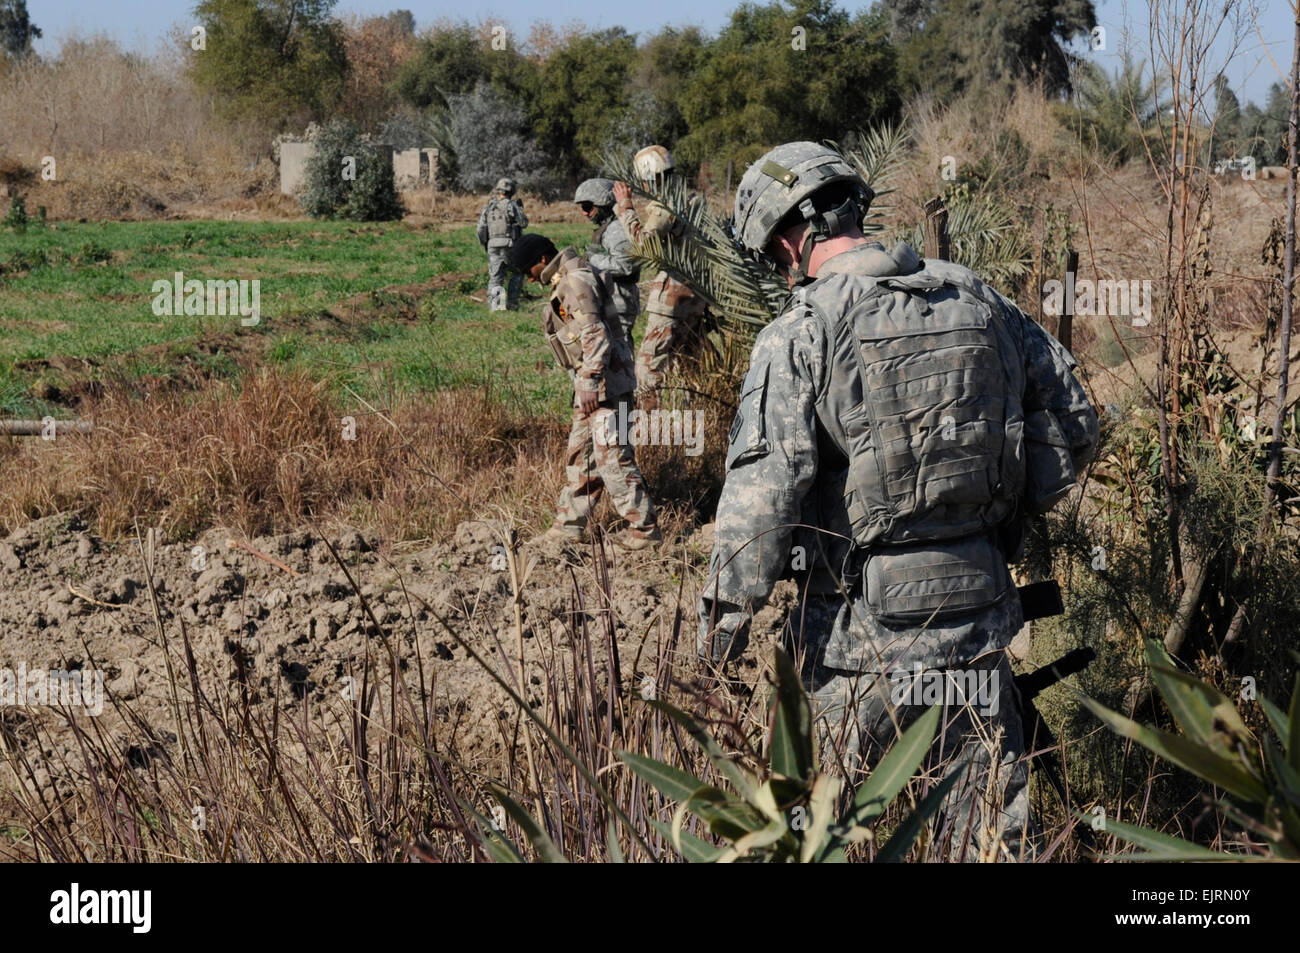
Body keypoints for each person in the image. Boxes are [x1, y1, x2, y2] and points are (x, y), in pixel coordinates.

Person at [697, 142, 1100, 860]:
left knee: (822, 839)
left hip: (858, 654)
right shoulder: (980, 298)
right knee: (989, 843)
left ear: (789, 238)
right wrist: (996, 518)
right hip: (978, 635)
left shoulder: (801, 332)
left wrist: (717, 639)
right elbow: (1077, 423)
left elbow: (761, 507)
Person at [510, 233, 661, 551]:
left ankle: (644, 531)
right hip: (591, 385)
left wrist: (591, 380)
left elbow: (595, 334)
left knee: (613, 458)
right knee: (581, 457)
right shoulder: (567, 277)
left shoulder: (575, 280)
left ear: (541, 260)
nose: (529, 278)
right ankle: (569, 525)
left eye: (528, 271)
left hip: (605, 385)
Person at [612, 145, 710, 407]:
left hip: (671, 301)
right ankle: (695, 426)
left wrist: (625, 208)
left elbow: (645, 245)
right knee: (690, 367)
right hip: (697, 296)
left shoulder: (666, 205)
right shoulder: (694, 199)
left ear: (648, 178)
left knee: (649, 366)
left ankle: (648, 431)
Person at [573, 178, 640, 343]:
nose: (584, 213)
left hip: (619, 303)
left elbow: (625, 266)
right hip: (611, 301)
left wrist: (592, 259)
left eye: (588, 207)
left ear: (603, 205)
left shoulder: (617, 230)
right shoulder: (608, 228)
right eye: (582, 208)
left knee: (621, 350)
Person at [476, 178, 528, 311]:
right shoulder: (512, 205)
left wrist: (486, 244)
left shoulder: (489, 207)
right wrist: (521, 209)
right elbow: (524, 223)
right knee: (517, 272)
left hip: (493, 245)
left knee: (495, 277)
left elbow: (481, 229)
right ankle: (512, 304)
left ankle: (496, 307)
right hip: (510, 245)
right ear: (511, 191)